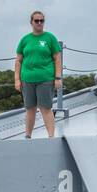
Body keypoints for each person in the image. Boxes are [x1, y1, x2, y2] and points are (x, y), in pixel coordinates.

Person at [15, 10, 62, 138]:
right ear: (31, 22)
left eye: (42, 20)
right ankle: (28, 136)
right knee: (30, 109)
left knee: (45, 108)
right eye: (37, 21)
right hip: (27, 79)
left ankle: (51, 137)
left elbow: (57, 58)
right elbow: (18, 60)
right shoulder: (25, 40)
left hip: (45, 78)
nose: (39, 23)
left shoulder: (50, 38)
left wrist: (58, 77)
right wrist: (17, 80)